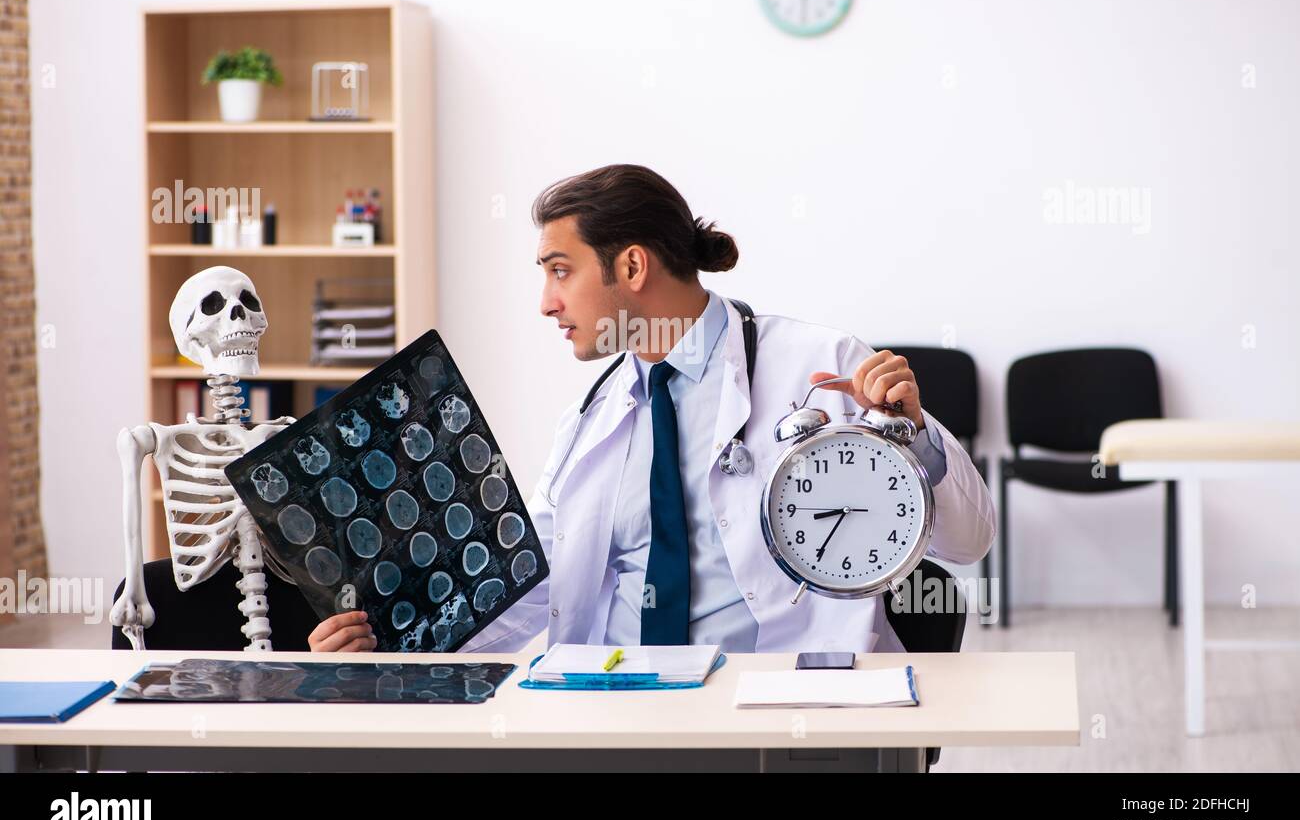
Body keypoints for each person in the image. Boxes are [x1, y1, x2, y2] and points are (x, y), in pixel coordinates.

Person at [309, 164, 994, 654]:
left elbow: (969, 539)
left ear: (631, 267)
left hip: (775, 705)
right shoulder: (589, 420)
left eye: (559, 270)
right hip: (624, 711)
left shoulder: (821, 367)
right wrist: (390, 639)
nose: (547, 302)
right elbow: (530, 582)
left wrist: (914, 437)